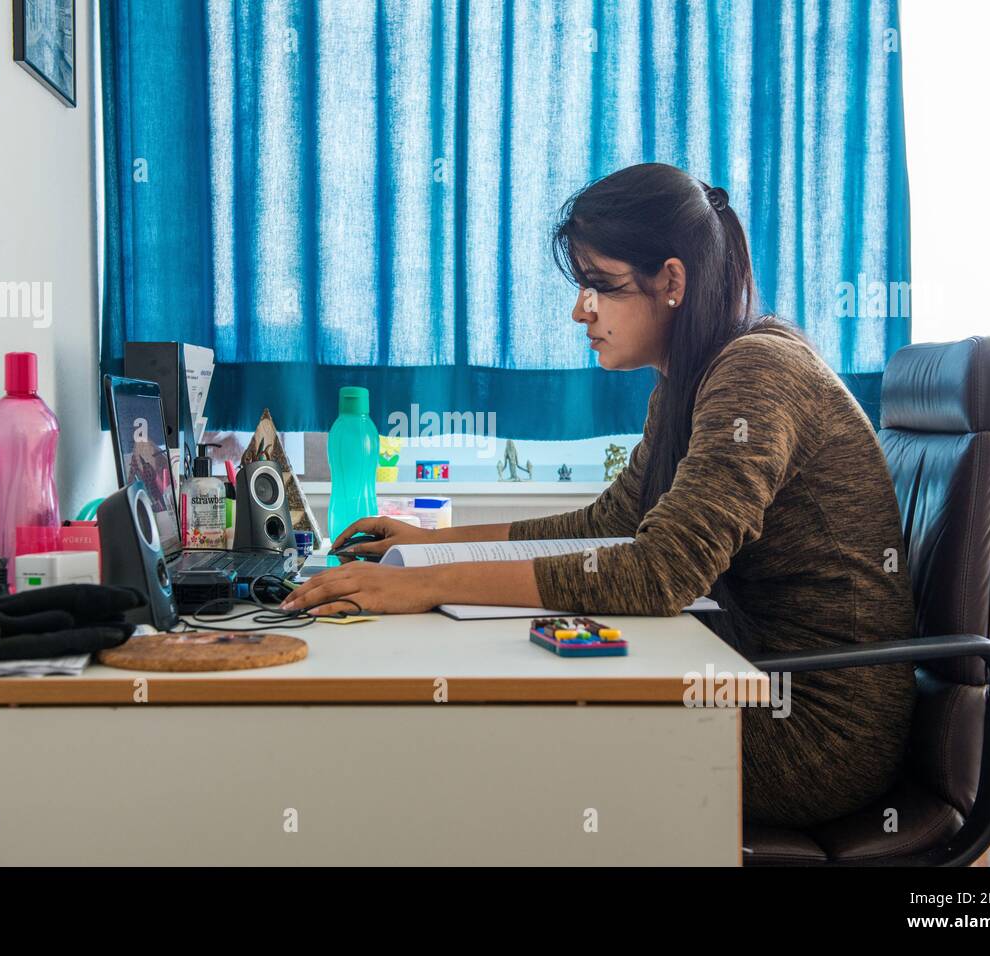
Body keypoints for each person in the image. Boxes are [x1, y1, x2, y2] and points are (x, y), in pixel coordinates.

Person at [281, 163, 916, 827]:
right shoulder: (689, 383)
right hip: (748, 673)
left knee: (504, 744)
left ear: (671, 281)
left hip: (812, 731)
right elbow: (611, 522)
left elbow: (660, 571)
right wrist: (431, 548)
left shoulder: (757, 372)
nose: (579, 310)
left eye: (600, 287)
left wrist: (429, 585)